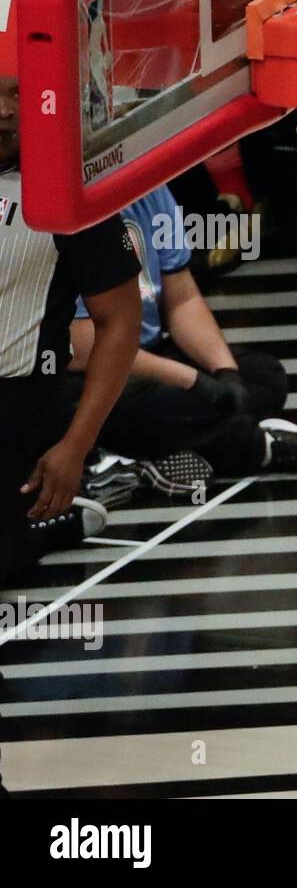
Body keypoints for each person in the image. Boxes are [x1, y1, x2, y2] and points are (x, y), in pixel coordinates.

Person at [0, 79, 143, 796]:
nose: (1, 107)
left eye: (13, 92)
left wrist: (76, 446)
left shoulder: (67, 189)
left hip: (18, 408)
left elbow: (119, 322)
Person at [67, 184, 297, 476]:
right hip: (90, 374)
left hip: (149, 356)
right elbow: (82, 348)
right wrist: (191, 380)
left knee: (262, 375)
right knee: (141, 404)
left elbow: (183, 299)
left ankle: (172, 443)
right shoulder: (69, 213)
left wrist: (225, 374)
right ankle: (268, 449)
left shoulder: (148, 188)